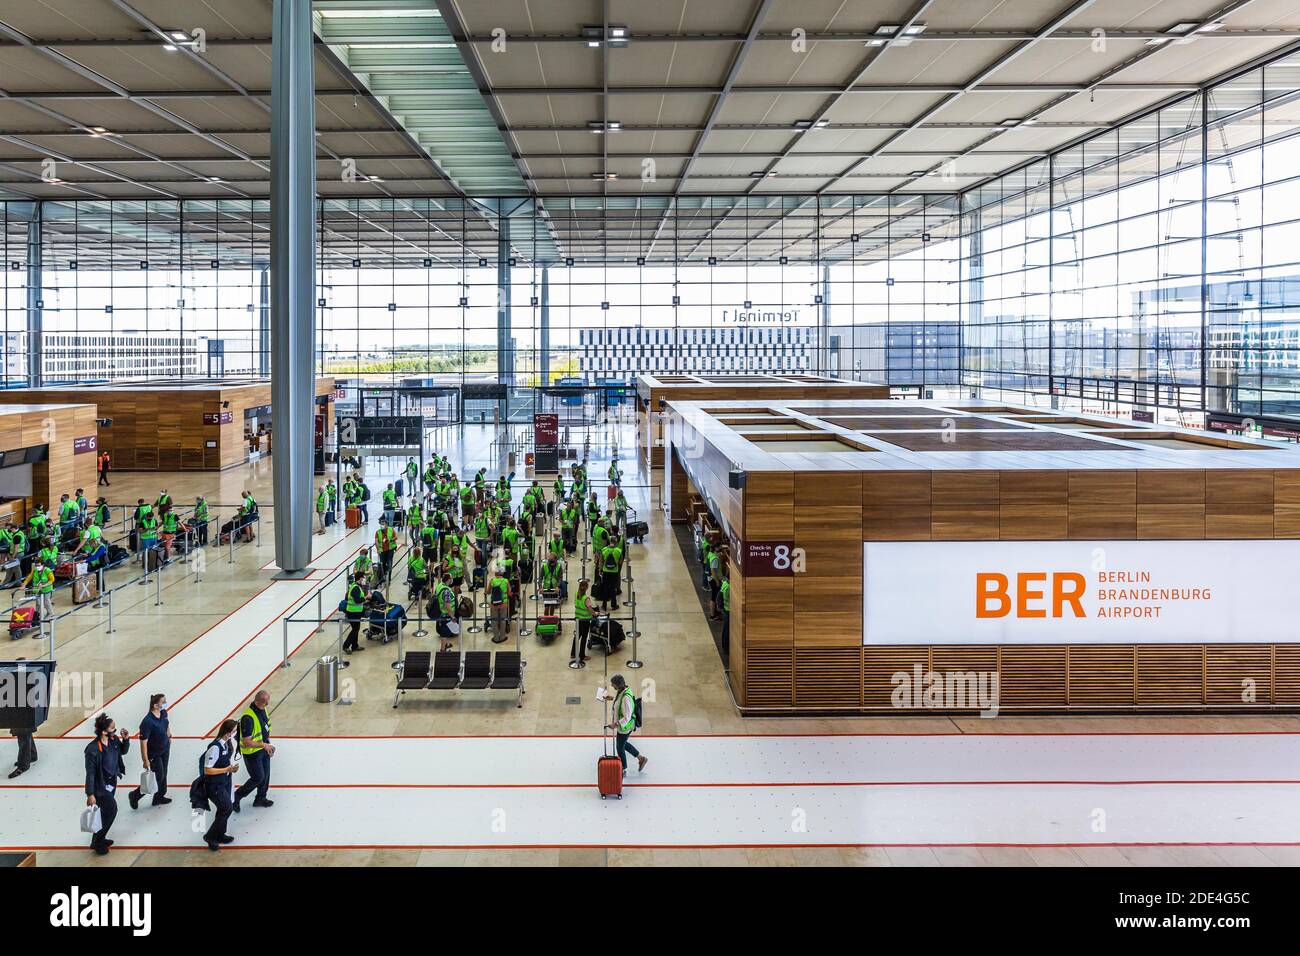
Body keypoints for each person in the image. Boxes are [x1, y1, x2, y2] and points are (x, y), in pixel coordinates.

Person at [84, 713, 130, 855]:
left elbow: (123, 751)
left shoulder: (114, 740)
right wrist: (90, 794)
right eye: (113, 729)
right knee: (111, 810)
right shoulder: (92, 750)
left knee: (104, 812)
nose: (115, 732)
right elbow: (90, 773)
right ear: (104, 731)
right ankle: (98, 842)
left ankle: (97, 839)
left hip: (111, 781)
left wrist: (126, 739)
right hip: (100, 786)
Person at [200, 718, 240, 851]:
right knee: (226, 808)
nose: (235, 733)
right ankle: (211, 836)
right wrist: (227, 769)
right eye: (234, 731)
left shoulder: (227, 743)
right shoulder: (214, 748)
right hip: (215, 785)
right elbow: (207, 769)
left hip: (225, 781)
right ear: (227, 732)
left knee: (224, 809)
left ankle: (220, 834)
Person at [128, 693, 172, 810]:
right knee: (158, 776)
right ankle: (135, 795)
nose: (165, 703)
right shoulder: (147, 722)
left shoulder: (163, 713)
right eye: (163, 702)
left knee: (164, 773)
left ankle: (159, 797)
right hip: (154, 754)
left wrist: (169, 735)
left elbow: (166, 723)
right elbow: (143, 743)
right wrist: (145, 760)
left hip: (165, 749)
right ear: (155, 705)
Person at [234, 690, 275, 811]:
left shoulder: (263, 709)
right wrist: (264, 746)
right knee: (258, 777)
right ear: (257, 701)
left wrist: (268, 745)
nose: (266, 705)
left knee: (266, 775)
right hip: (252, 753)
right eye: (264, 703)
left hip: (263, 748)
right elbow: (246, 742)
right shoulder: (248, 718)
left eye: (266, 703)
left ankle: (260, 798)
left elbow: (264, 729)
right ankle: (237, 796)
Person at [605, 674, 646, 775]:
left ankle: (623, 769)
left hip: (625, 727)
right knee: (622, 744)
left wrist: (616, 724)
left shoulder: (626, 698)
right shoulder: (622, 691)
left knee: (619, 747)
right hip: (623, 726)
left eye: (613, 684)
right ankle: (641, 758)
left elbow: (627, 717)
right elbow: (620, 702)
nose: (611, 686)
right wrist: (611, 698)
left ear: (618, 686)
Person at [8, 657, 36, 778]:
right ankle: (32, 756)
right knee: (27, 735)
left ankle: (23, 765)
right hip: (26, 714)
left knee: (23, 738)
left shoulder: (23, 681)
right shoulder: (30, 677)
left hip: (22, 714)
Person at [342, 571, 368, 655]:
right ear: (360, 578)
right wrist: (366, 598)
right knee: (355, 630)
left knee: (356, 629)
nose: (364, 579)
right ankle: (346, 646)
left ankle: (355, 646)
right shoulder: (356, 588)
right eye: (363, 577)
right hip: (353, 612)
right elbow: (357, 600)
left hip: (355, 612)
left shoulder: (355, 586)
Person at [572, 578, 594, 666]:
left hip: (578, 619)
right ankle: (582, 655)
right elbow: (589, 609)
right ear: (586, 588)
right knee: (584, 638)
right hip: (585, 620)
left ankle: (573, 653)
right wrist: (595, 613)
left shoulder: (576, 594)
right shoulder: (586, 598)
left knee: (577, 636)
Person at [488, 562, 510, 643]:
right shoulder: (505, 581)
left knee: (494, 620)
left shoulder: (492, 581)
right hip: (503, 603)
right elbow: (509, 592)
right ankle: (502, 637)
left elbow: (488, 591)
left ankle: (496, 638)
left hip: (494, 604)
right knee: (503, 620)